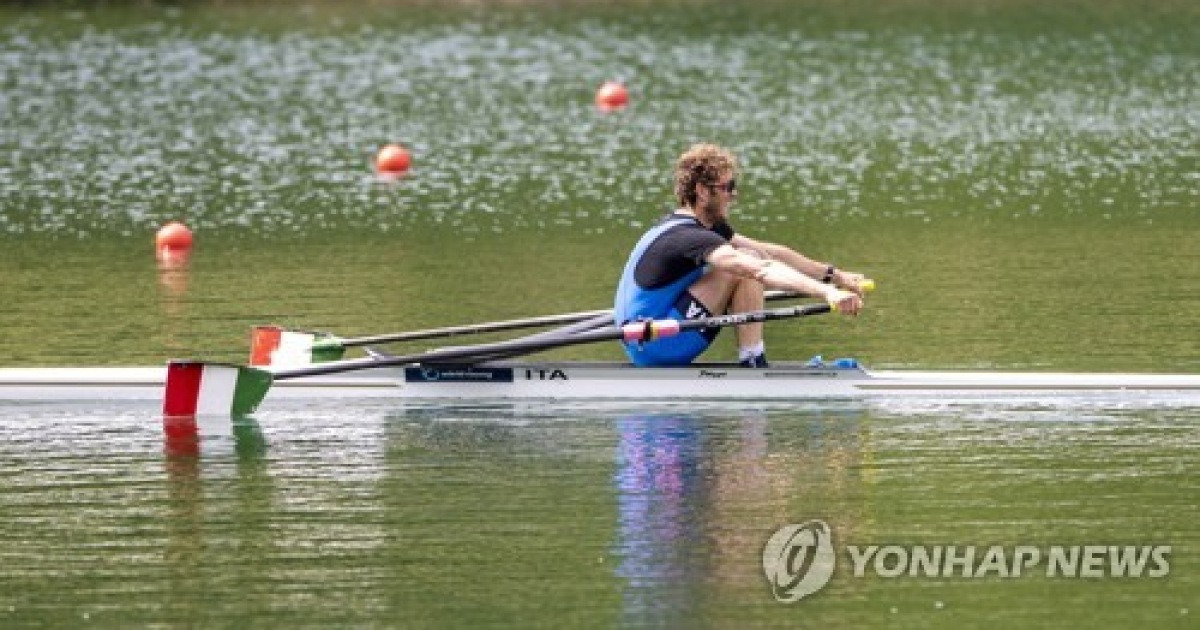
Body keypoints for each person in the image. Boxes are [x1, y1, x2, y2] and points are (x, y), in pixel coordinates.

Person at [614, 143, 867, 368]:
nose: (733, 195)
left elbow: (768, 252)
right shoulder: (688, 237)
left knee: (748, 256)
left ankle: (752, 358)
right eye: (728, 187)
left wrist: (834, 276)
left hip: (647, 337)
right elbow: (760, 268)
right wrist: (828, 294)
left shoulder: (702, 227)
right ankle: (753, 361)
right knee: (743, 265)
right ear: (702, 191)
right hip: (657, 342)